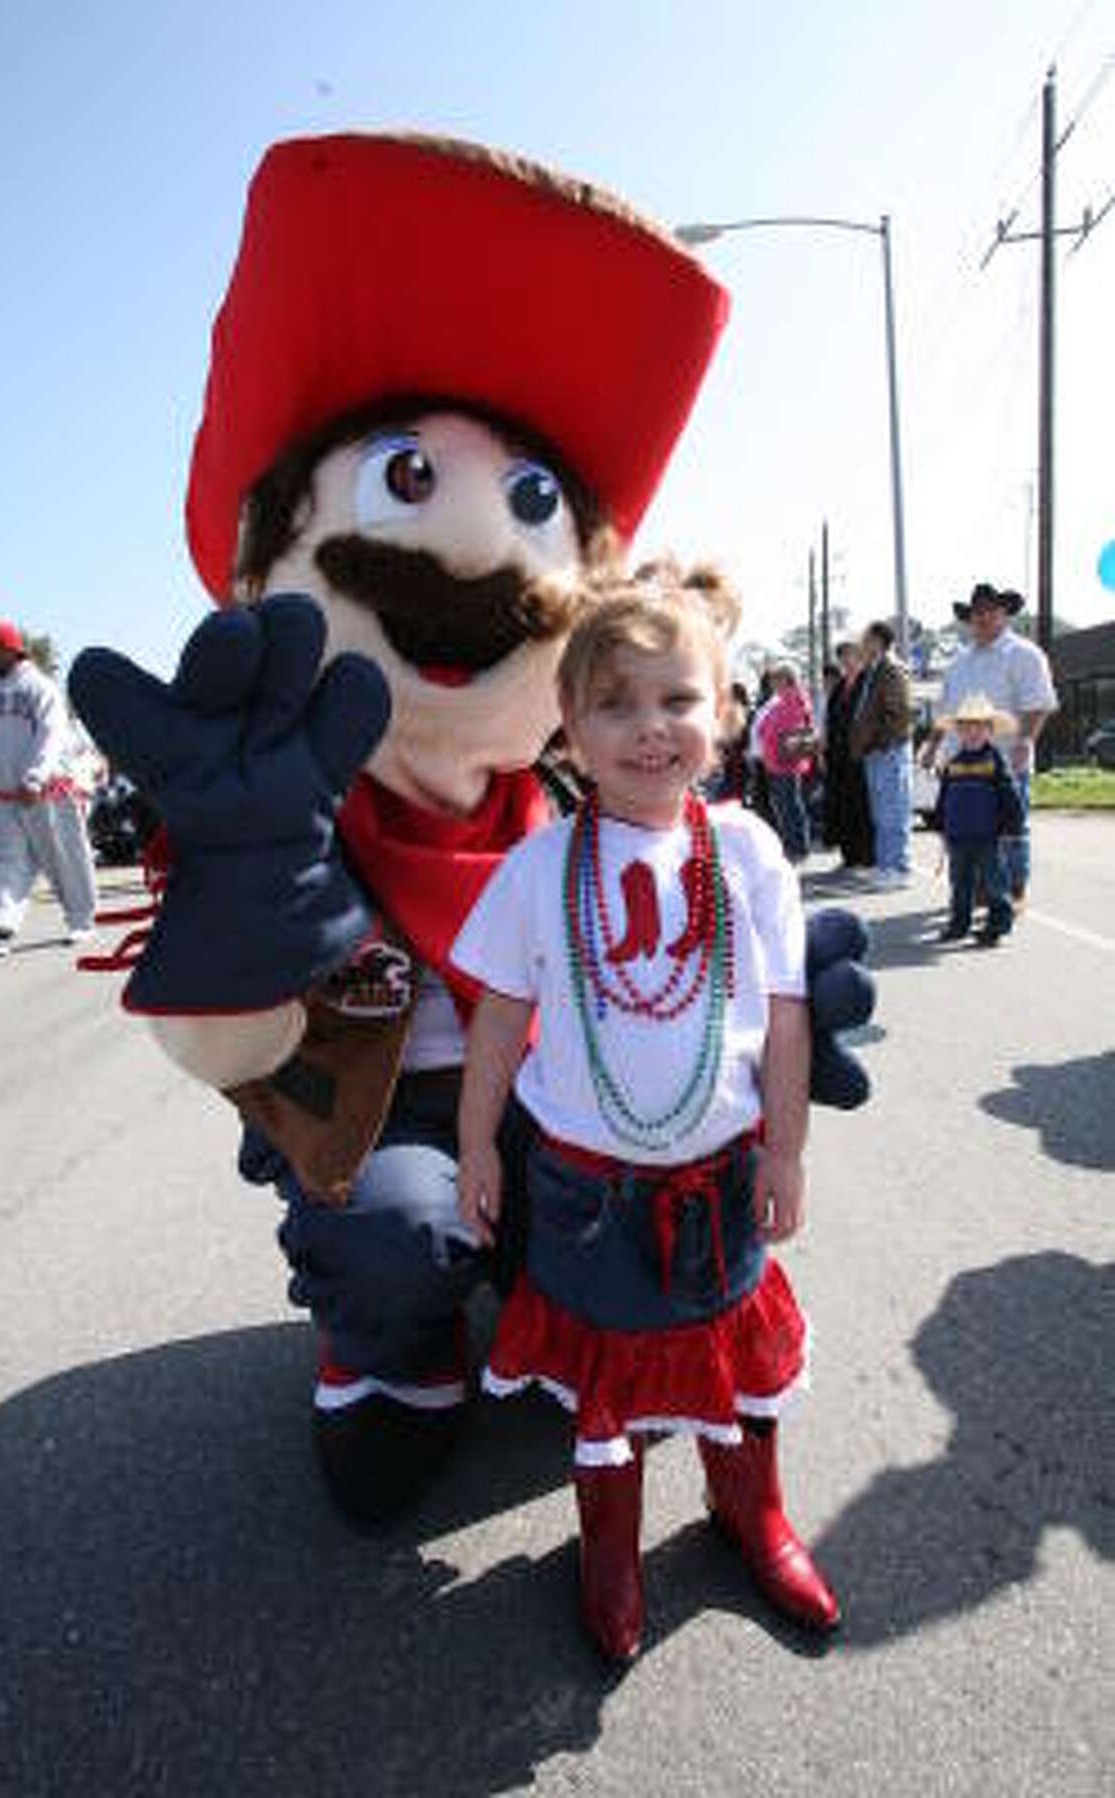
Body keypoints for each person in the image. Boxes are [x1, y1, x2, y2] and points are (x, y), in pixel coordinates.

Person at [69, 132, 874, 1531]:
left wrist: (773, 1008)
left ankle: (544, 1303)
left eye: (526, 506)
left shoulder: (584, 807)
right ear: (273, 566)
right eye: (399, 482)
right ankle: (394, 1340)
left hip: (564, 1112)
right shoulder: (296, 812)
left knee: (654, 1189)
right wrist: (247, 888)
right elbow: (223, 1039)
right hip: (384, 1117)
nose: (469, 556)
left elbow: (702, 950)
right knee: (402, 1233)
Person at [452, 567, 839, 1662]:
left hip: (721, 1174)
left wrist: (788, 1149)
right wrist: (479, 1142)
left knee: (744, 1368)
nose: (650, 727)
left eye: (676, 698)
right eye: (615, 704)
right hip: (584, 1188)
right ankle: (609, 1552)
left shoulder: (751, 851)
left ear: (724, 712)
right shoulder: (537, 865)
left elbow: (788, 1012)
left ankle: (749, 1511)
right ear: (568, 729)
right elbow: (494, 1019)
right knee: (606, 1389)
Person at [0, 620, 97, 960]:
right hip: (4, 797)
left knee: (65, 859)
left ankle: (82, 921)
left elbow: (52, 735)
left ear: (7, 649)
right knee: (8, 861)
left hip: (47, 791)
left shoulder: (41, 688)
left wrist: (35, 777)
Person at [933, 583, 1057, 908]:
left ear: (1005, 614)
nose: (983, 618)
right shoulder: (959, 662)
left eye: (990, 611)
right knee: (970, 829)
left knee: (1010, 826)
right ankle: (979, 889)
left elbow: (1038, 704)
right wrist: (934, 747)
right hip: (963, 761)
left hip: (1005, 757)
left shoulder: (1024, 654)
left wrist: (1027, 741)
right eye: (976, 613)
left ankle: (1014, 889)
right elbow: (946, 710)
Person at [930, 693, 1025, 946]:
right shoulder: (953, 763)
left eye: (979, 726)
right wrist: (939, 822)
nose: (972, 732)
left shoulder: (994, 761)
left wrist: (1013, 824)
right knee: (960, 882)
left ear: (989, 730)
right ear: (959, 731)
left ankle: (997, 924)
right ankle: (958, 924)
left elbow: (1009, 794)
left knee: (994, 881)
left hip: (988, 834)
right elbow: (945, 796)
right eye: (966, 727)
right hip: (958, 834)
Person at [850, 620, 913, 887]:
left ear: (878, 641)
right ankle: (884, 864)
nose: (862, 644)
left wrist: (882, 742)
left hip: (888, 750)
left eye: (866, 639)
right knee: (880, 812)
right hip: (875, 751)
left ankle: (898, 868)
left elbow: (899, 712)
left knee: (892, 811)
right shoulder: (876, 669)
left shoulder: (892, 669)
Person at [754, 661, 816, 862]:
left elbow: (793, 728)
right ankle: (792, 844)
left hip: (786, 761)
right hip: (775, 760)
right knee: (784, 805)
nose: (773, 684)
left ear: (786, 679)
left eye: (776, 679)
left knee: (790, 805)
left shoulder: (795, 699)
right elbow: (766, 729)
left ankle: (798, 846)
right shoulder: (781, 701)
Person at [820, 639, 873, 871]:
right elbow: (829, 722)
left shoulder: (868, 683)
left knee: (862, 804)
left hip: (860, 754)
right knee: (840, 804)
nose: (846, 661)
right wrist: (823, 748)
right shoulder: (839, 687)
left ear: (860, 657)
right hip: (837, 754)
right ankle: (849, 854)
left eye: (850, 655)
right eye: (842, 657)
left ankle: (866, 855)